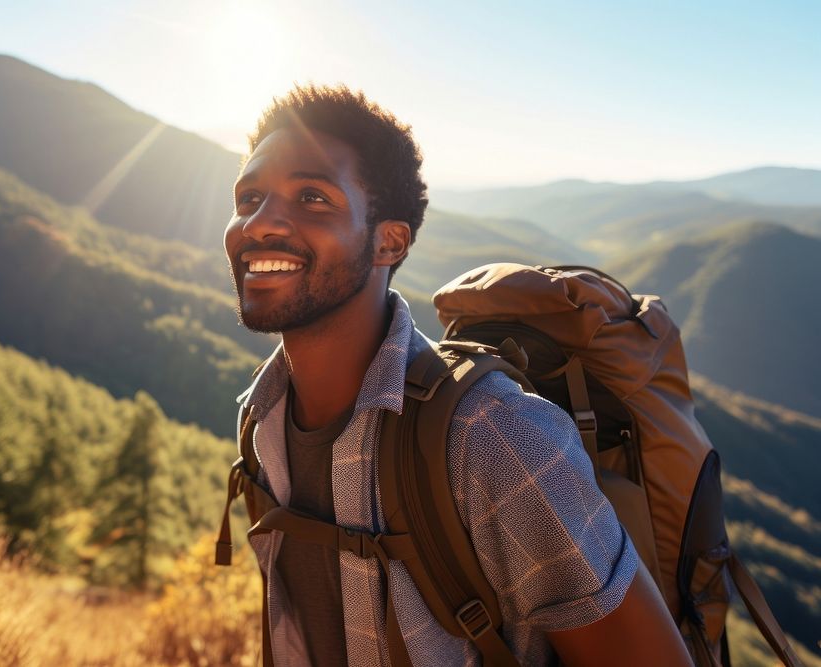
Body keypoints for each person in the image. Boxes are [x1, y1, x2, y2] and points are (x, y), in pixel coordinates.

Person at [222, 84, 692, 667]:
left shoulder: (491, 437)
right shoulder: (261, 420)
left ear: (388, 242)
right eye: (249, 199)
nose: (260, 225)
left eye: (313, 198)